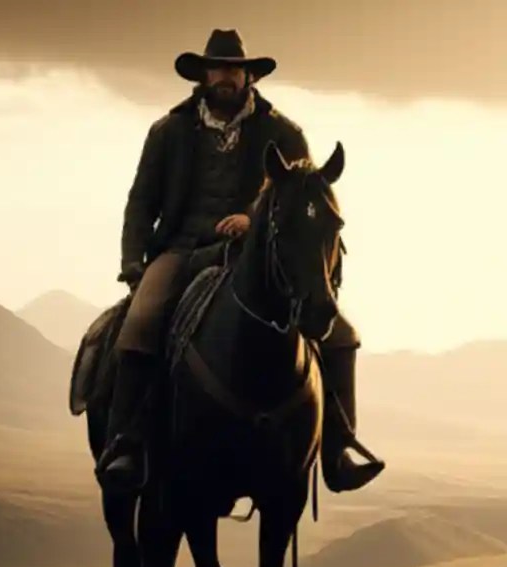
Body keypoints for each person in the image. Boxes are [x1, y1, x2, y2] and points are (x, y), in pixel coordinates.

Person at [95, 28, 384, 494]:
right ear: (204, 75)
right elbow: (140, 202)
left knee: (341, 333)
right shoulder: (169, 131)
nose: (227, 76)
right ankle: (127, 443)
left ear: (249, 76)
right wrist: (134, 263)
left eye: (235, 68)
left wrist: (253, 219)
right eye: (218, 67)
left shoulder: (283, 133)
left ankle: (339, 447)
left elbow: (304, 200)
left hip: (258, 257)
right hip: (181, 249)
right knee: (140, 323)